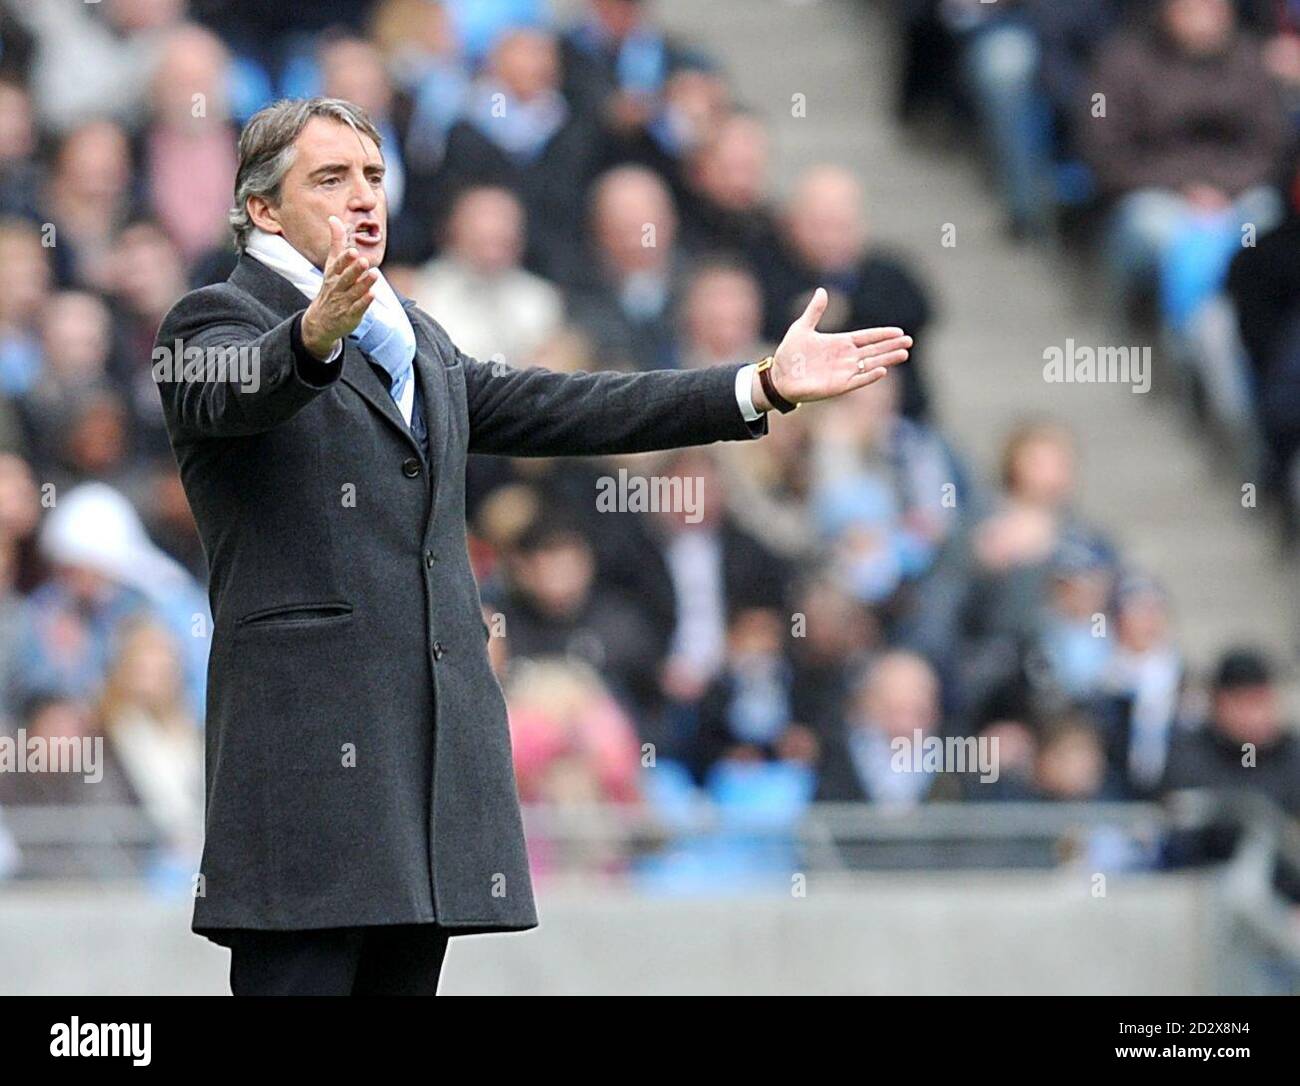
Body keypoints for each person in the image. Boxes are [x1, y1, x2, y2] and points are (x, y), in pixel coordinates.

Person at [151, 96, 913, 995]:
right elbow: (234, 391)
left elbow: (569, 406)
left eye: (373, 177)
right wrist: (312, 337)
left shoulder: (414, 341)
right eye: (331, 179)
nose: (364, 199)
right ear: (264, 210)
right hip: (309, 775)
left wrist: (755, 388)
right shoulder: (209, 324)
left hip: (420, 773)